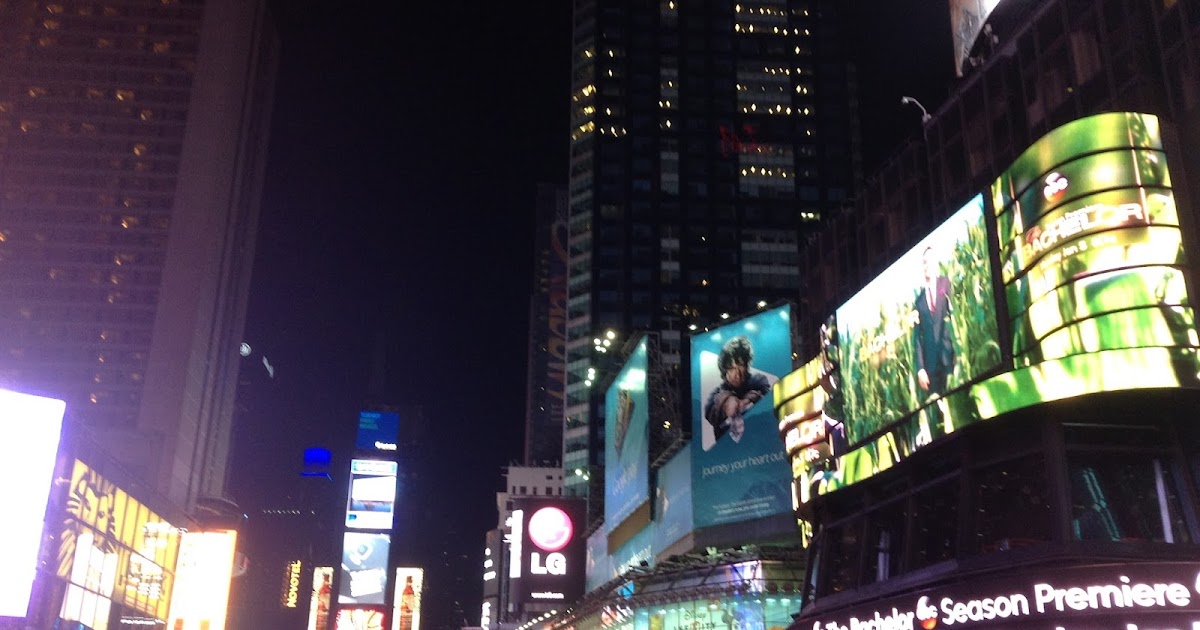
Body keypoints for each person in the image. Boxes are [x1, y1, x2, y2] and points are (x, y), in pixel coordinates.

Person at [912, 246, 956, 441]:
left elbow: (955, 315)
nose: (927, 266)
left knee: (955, 405)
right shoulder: (918, 301)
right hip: (931, 368)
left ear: (935, 263)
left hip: (949, 356)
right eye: (924, 263)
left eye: (929, 261)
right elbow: (917, 340)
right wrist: (920, 368)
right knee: (939, 415)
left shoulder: (945, 284)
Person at [704, 336, 772, 444]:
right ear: (725, 370)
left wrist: (748, 400)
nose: (737, 374)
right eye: (732, 368)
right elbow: (710, 411)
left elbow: (767, 397)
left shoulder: (758, 380)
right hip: (728, 456)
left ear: (747, 365)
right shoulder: (716, 394)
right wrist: (726, 402)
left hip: (760, 446)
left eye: (740, 366)